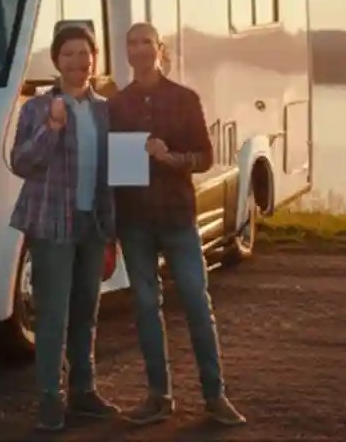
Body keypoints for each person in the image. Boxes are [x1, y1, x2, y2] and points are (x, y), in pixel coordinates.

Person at [108, 22, 247, 427]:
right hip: (134, 222)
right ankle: (158, 396)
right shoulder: (116, 105)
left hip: (177, 218)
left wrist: (172, 159)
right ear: (126, 50)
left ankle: (215, 396)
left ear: (159, 48)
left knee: (196, 303)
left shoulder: (184, 99)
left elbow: (205, 157)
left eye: (145, 42)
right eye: (131, 42)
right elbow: (114, 167)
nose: (138, 49)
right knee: (147, 307)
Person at [8, 24, 120, 432]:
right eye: (69, 54)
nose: (78, 61)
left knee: (86, 310)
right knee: (53, 313)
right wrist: (51, 129)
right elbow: (21, 162)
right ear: (56, 60)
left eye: (84, 54)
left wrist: (113, 225)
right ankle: (49, 398)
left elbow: (112, 170)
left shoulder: (104, 109)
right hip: (51, 224)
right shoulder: (37, 108)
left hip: (92, 224)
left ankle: (84, 391)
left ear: (94, 59)